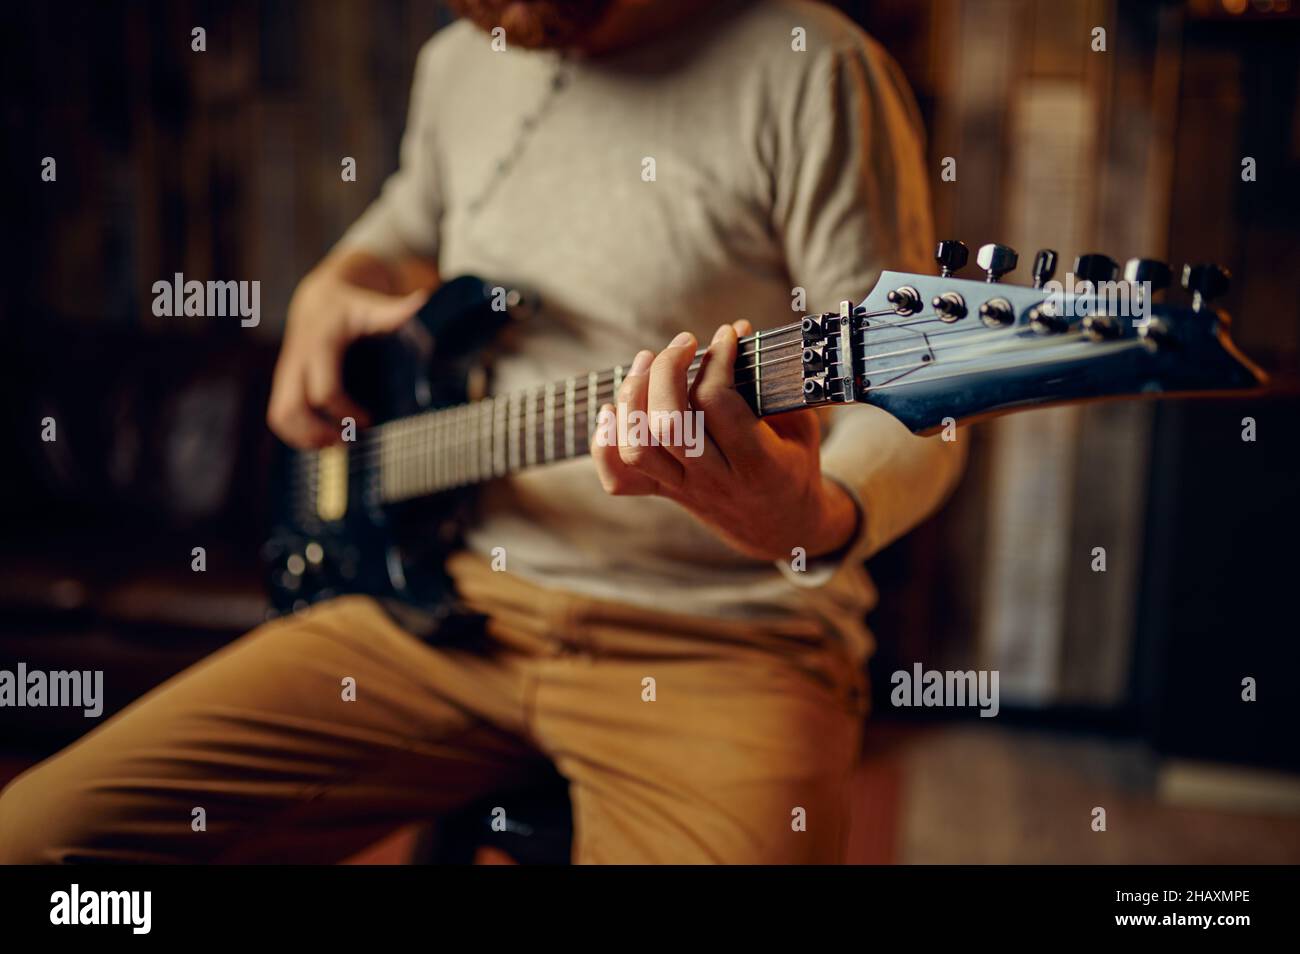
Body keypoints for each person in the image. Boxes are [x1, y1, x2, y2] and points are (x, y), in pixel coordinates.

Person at [0, 0, 964, 864]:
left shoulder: (814, 67)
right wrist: (335, 281)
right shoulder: (461, 59)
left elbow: (919, 388)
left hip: (727, 644)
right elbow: (405, 219)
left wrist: (811, 515)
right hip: (445, 609)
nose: (485, 14)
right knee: (39, 847)